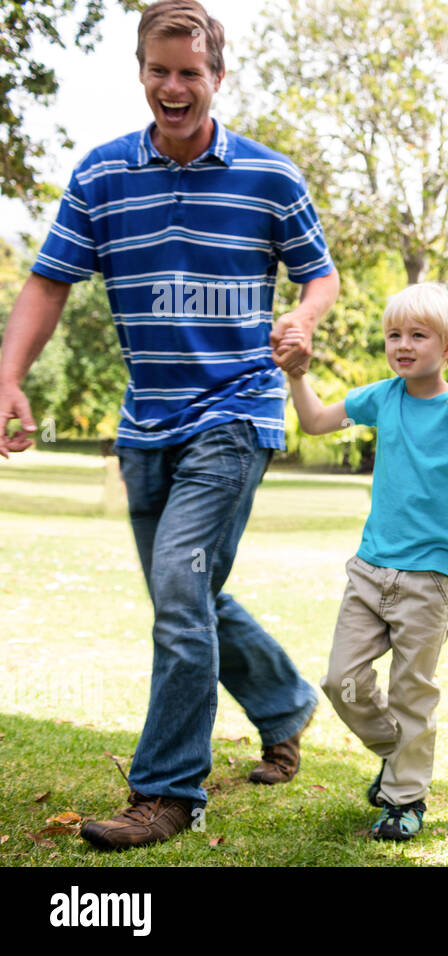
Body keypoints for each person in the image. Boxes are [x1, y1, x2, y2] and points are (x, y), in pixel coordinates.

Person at [0, 0, 338, 849]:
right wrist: (8, 375)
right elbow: (48, 282)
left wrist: (302, 322)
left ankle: (168, 792)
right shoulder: (102, 175)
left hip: (238, 412)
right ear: (142, 74)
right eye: (161, 71)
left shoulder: (271, 176)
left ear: (217, 79)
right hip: (148, 421)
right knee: (188, 595)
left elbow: (319, 276)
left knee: (180, 594)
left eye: (191, 72)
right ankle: (286, 700)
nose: (175, 86)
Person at [275, 283, 448, 841]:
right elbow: (315, 423)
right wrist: (297, 375)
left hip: (430, 578)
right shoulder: (382, 397)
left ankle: (406, 799)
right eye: (393, 335)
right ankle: (397, 753)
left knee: (411, 690)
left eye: (417, 336)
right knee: (340, 681)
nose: (403, 345)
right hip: (370, 569)